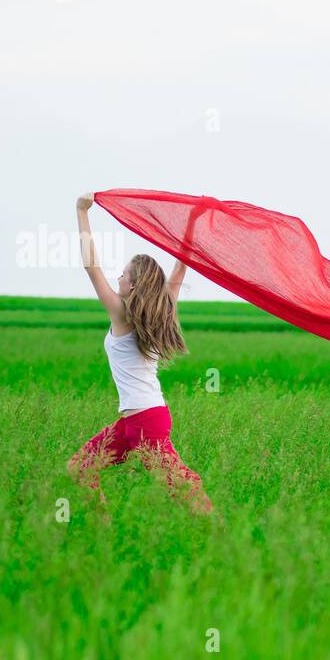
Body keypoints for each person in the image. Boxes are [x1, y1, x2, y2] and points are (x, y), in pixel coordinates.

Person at [68, 194, 211, 512]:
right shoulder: (159, 311)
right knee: (79, 470)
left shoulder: (122, 315)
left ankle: (220, 535)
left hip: (146, 421)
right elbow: (179, 269)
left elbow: (91, 267)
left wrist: (81, 211)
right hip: (134, 423)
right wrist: (191, 225)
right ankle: (102, 535)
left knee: (180, 485)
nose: (117, 277)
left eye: (123, 274)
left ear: (132, 286)